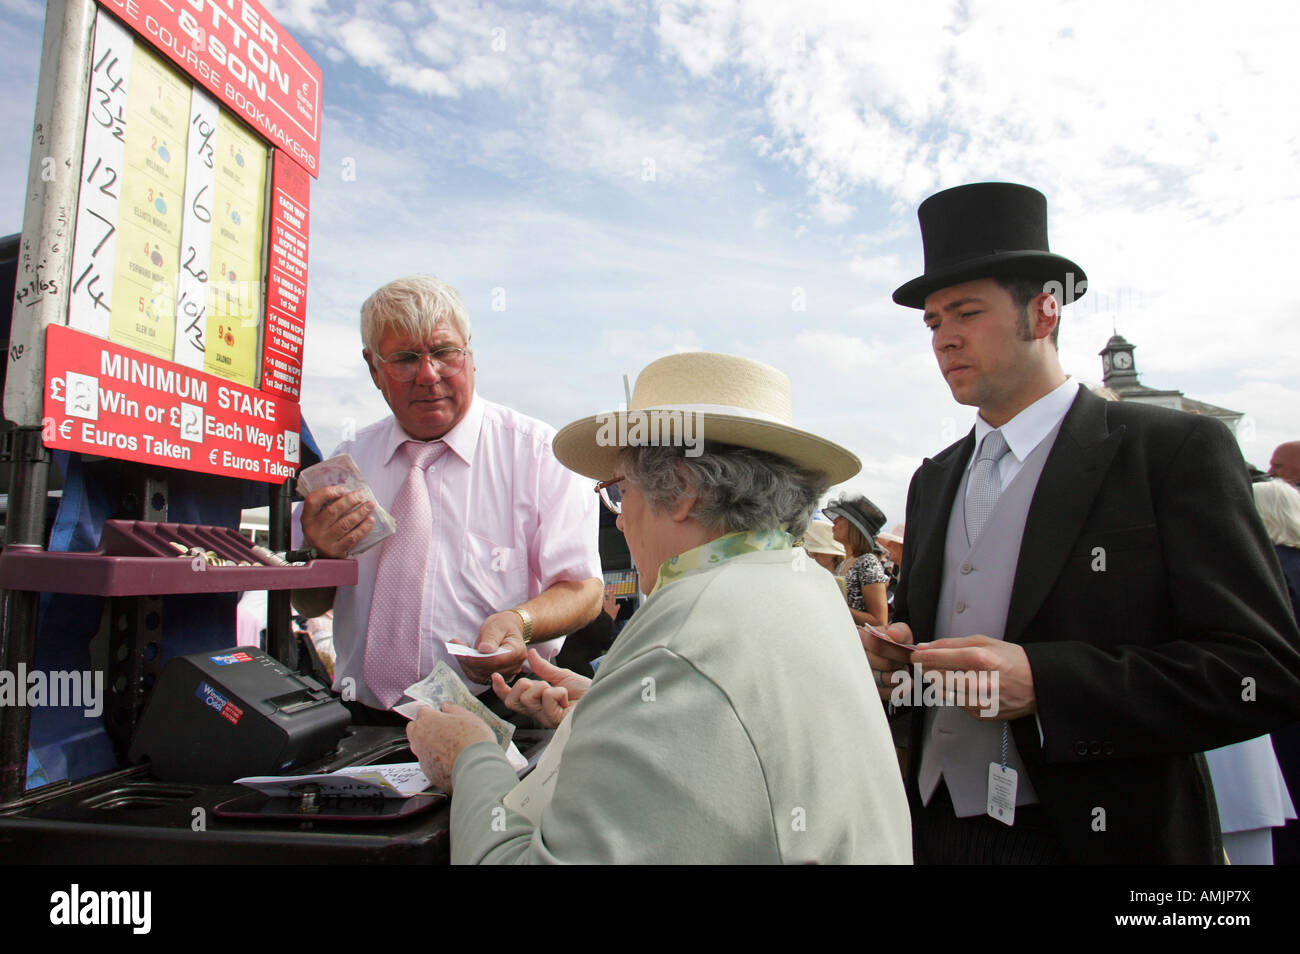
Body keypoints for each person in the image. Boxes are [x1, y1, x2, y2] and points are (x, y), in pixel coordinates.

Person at [867, 181, 1300, 863]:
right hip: (938, 830)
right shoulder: (934, 478)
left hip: (1104, 837)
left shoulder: (1171, 451)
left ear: (1043, 313)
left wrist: (1048, 684)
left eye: (966, 313)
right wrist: (898, 663)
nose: (944, 338)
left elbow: (1262, 670)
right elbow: (932, 641)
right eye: (932, 322)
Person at [406, 351, 912, 863]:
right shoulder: (807, 586)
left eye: (622, 492)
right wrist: (616, 704)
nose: (621, 521)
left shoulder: (689, 631)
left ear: (685, 490)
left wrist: (470, 756)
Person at [292, 276, 603, 720]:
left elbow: (584, 590)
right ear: (372, 368)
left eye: (443, 352)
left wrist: (520, 623)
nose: (428, 374)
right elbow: (308, 605)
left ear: (470, 355)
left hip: (500, 713)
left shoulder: (537, 454)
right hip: (363, 723)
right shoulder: (346, 465)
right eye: (404, 359)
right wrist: (318, 552)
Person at [824, 494, 889, 628]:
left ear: (854, 526)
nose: (834, 521)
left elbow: (880, 621)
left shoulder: (867, 562)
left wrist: (836, 606)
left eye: (841, 517)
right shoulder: (844, 563)